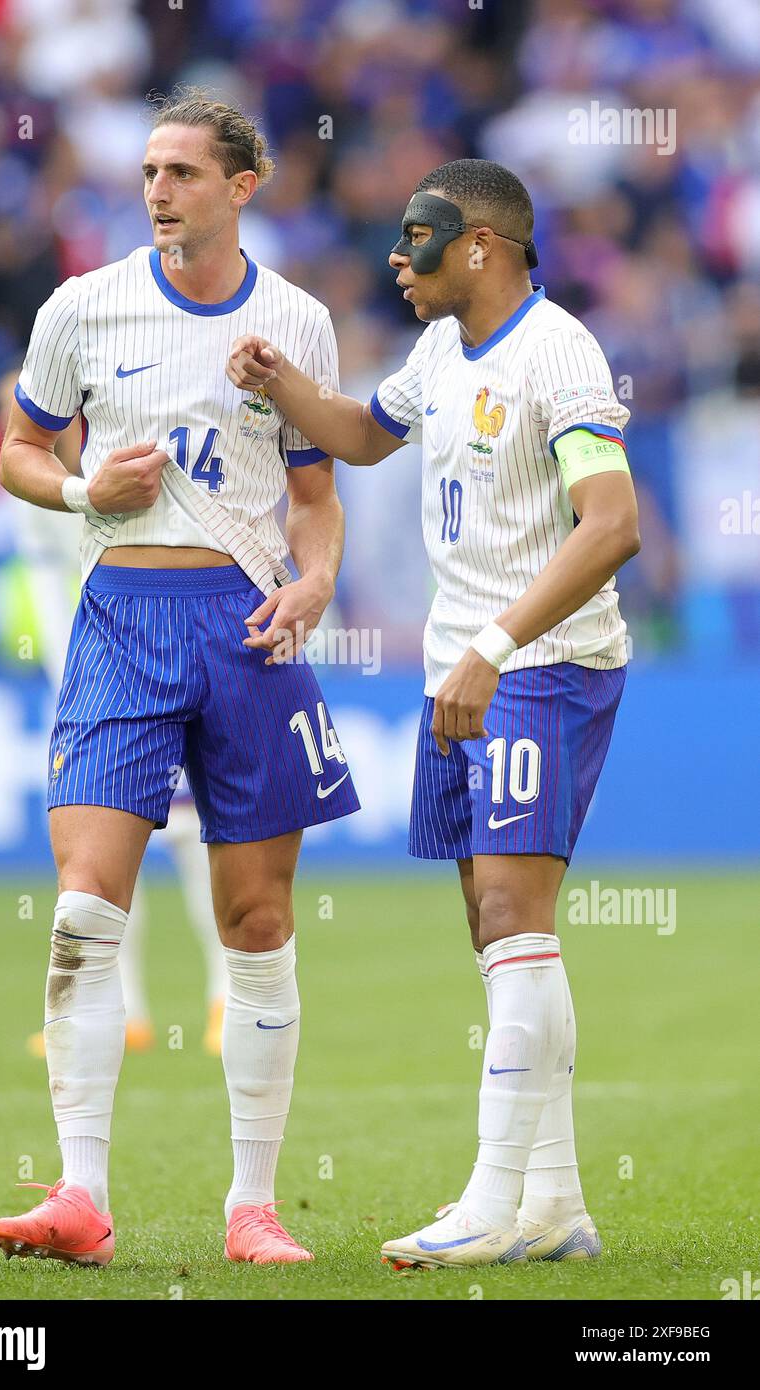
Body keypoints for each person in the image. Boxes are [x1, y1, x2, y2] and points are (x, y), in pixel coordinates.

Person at [226, 158, 640, 1270]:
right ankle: (552, 1203)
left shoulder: (557, 355)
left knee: (510, 908)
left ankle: (489, 1200)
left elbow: (610, 524)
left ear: (480, 248)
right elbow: (362, 435)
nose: (395, 260)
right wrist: (281, 386)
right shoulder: (438, 349)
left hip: (536, 662)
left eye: (417, 240)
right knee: (496, 927)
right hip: (462, 667)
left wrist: (495, 647)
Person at [0, 90, 359, 1269]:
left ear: (241, 188)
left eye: (182, 173)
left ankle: (251, 1206)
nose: (156, 191)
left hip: (246, 626)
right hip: (121, 620)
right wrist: (84, 491)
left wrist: (316, 585)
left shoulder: (294, 319)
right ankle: (80, 1196)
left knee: (254, 918)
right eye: (148, 171)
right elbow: (19, 450)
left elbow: (315, 498)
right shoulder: (83, 308)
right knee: (87, 907)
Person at [0, 370, 228, 1059]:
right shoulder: (41, 494)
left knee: (191, 838)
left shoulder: (125, 459)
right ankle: (123, 1012)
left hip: (163, 666)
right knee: (98, 853)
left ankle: (223, 998)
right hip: (94, 685)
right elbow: (49, 584)